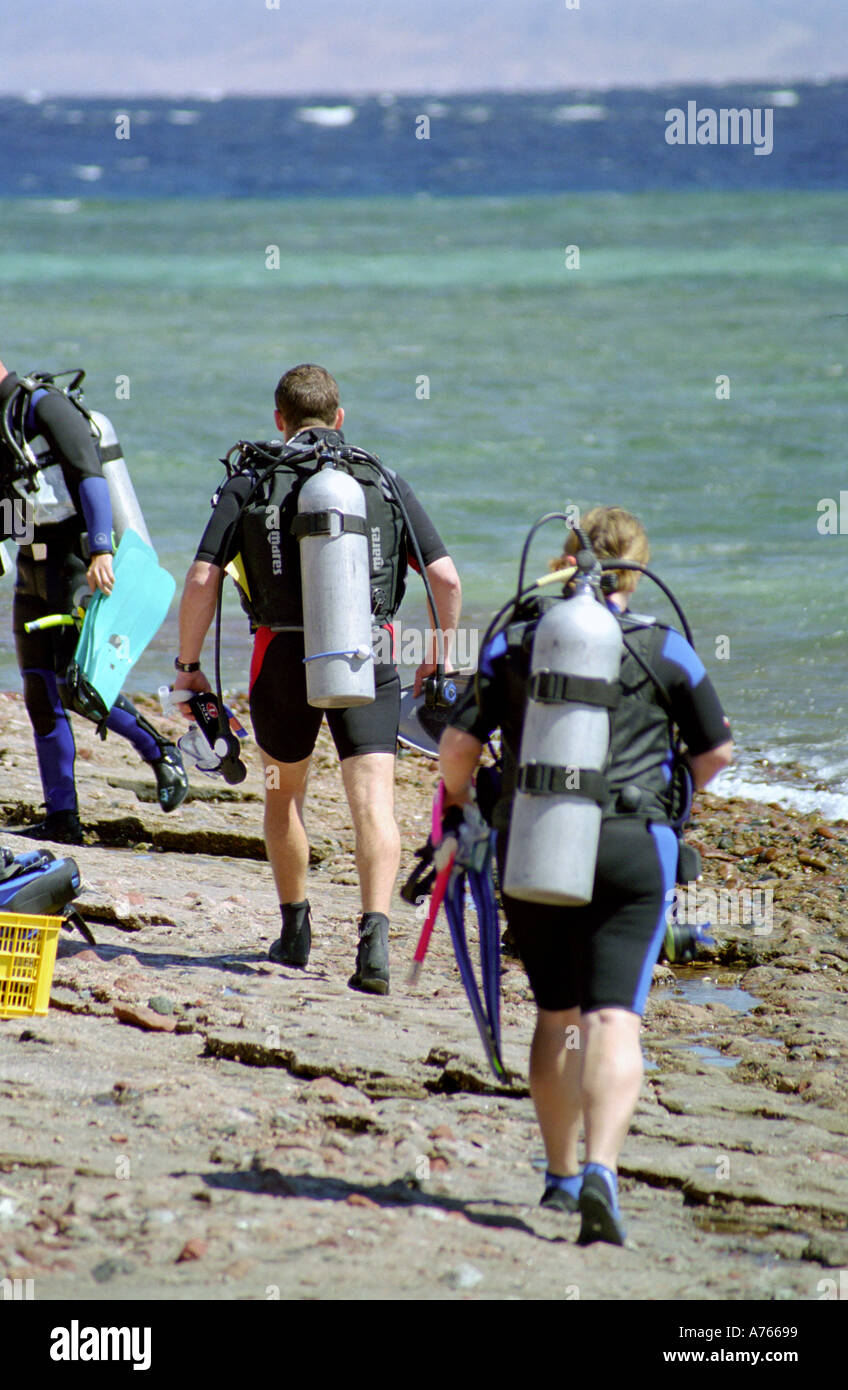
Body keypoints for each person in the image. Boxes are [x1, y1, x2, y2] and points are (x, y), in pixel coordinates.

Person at [439, 506, 732, 1246]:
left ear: (565, 562)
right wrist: (679, 807)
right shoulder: (669, 651)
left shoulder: (516, 643)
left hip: (539, 841)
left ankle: (562, 1176)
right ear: (637, 569)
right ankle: (603, 1170)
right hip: (636, 845)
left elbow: (457, 747)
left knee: (558, 1016)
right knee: (614, 1017)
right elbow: (716, 752)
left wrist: (460, 809)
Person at [174, 363, 461, 994]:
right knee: (373, 805)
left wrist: (189, 669)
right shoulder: (380, 481)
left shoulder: (251, 481)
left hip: (280, 663)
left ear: (279, 420)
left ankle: (295, 933)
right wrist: (437, 657)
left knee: (284, 795)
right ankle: (376, 945)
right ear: (339, 418)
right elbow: (446, 580)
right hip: (368, 658)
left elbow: (201, 580)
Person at [0, 360, 188, 845]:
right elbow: (15, 502)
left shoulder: (44, 406)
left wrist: (102, 548)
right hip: (32, 564)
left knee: (75, 685)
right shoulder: (1, 425)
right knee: (40, 691)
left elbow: (88, 475)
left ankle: (160, 749)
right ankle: (63, 819)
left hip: (77, 560)